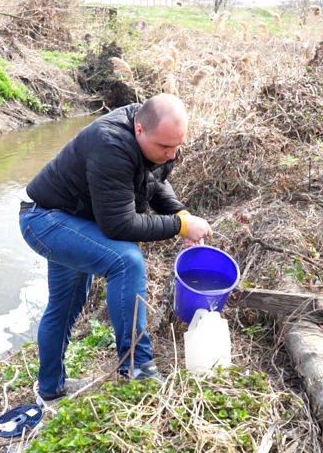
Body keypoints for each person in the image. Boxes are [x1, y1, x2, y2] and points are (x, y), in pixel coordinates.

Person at [18, 93, 212, 405]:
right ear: (139, 130)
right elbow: (119, 226)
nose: (172, 155)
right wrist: (180, 226)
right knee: (126, 261)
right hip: (44, 218)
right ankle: (137, 367)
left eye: (178, 146)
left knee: (67, 303)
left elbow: (153, 180)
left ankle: (50, 390)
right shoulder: (110, 144)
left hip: (76, 218)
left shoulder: (155, 137)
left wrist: (181, 213)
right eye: (165, 147)